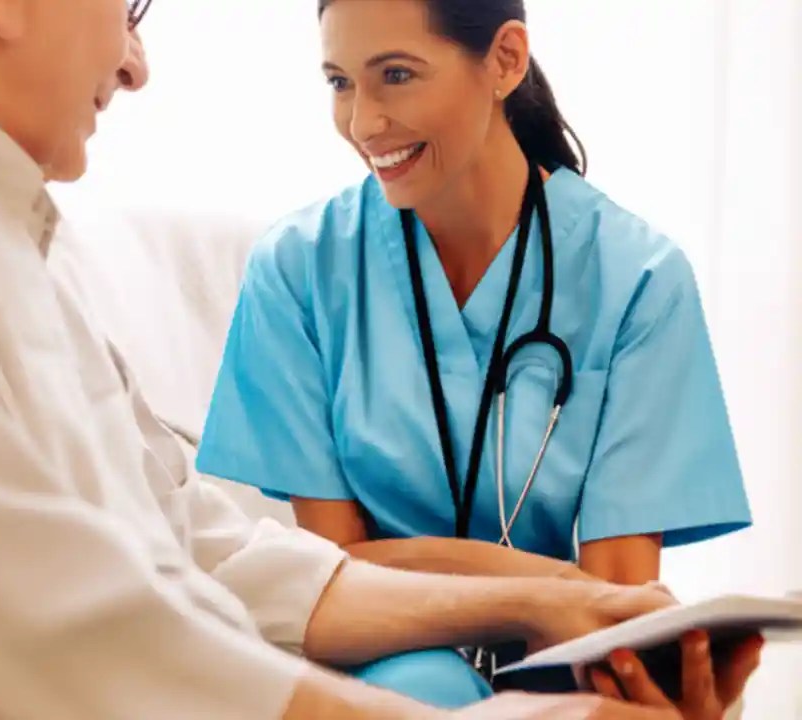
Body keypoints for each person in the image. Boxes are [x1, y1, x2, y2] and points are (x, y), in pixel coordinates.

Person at [0, 0, 758, 717]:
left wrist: (551, 609)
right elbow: (65, 631)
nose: (135, 62)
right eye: (130, 3)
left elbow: (214, 556)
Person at [198, 0, 748, 637]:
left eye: (396, 75)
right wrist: (559, 586)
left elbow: (620, 609)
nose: (362, 122)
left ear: (505, 60)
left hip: (563, 669)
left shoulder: (638, 280)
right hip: (376, 661)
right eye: (339, 82)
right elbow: (326, 573)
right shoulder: (299, 271)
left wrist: (566, 600)